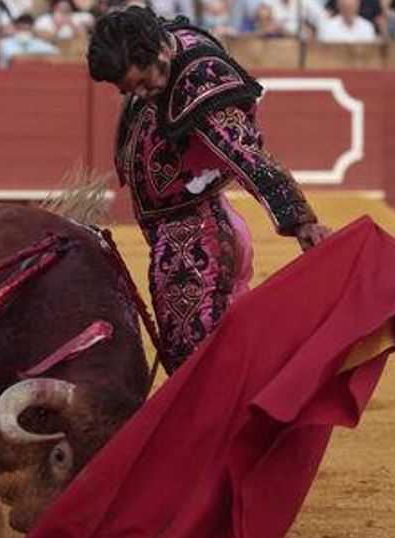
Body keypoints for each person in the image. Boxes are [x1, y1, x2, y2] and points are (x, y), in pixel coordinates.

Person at [86, 6, 332, 376]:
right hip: (193, 228)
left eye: (144, 81)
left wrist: (301, 221)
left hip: (196, 236)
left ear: (161, 49)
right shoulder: (160, 42)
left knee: (195, 362)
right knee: (216, 352)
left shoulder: (199, 80)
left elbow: (247, 154)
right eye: (129, 90)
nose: (141, 94)